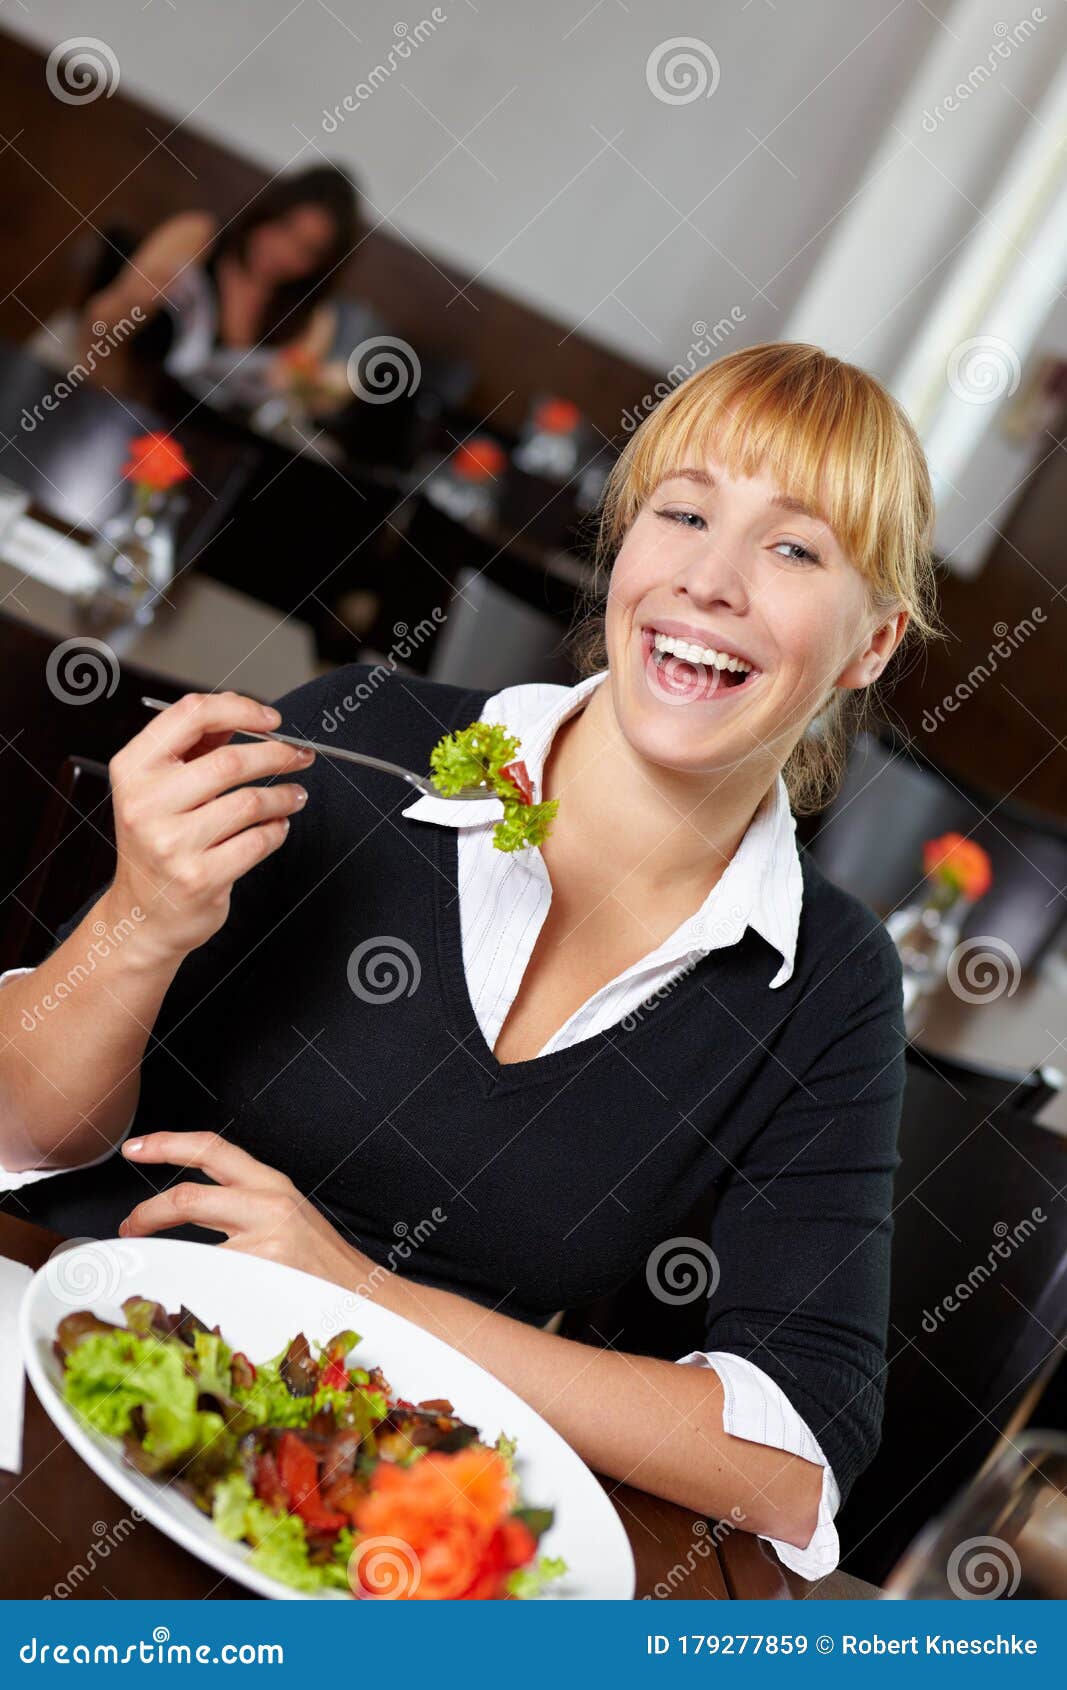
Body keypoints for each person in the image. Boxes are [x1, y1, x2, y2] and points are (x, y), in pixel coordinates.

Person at [0, 342, 938, 1579]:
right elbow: (23, 1134)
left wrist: (364, 1295)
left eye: (792, 547)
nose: (709, 580)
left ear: (869, 645)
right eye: (684, 512)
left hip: (373, 1525)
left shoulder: (823, 977)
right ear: (625, 544)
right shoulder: (363, 737)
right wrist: (137, 921)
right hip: (67, 1379)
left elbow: (795, 1449)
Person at [79, 164, 361, 409]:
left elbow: (297, 406)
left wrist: (315, 391)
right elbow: (98, 322)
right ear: (267, 213)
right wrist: (134, 301)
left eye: (307, 250)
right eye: (284, 228)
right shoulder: (196, 236)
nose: (284, 253)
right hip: (105, 395)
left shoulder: (311, 319)